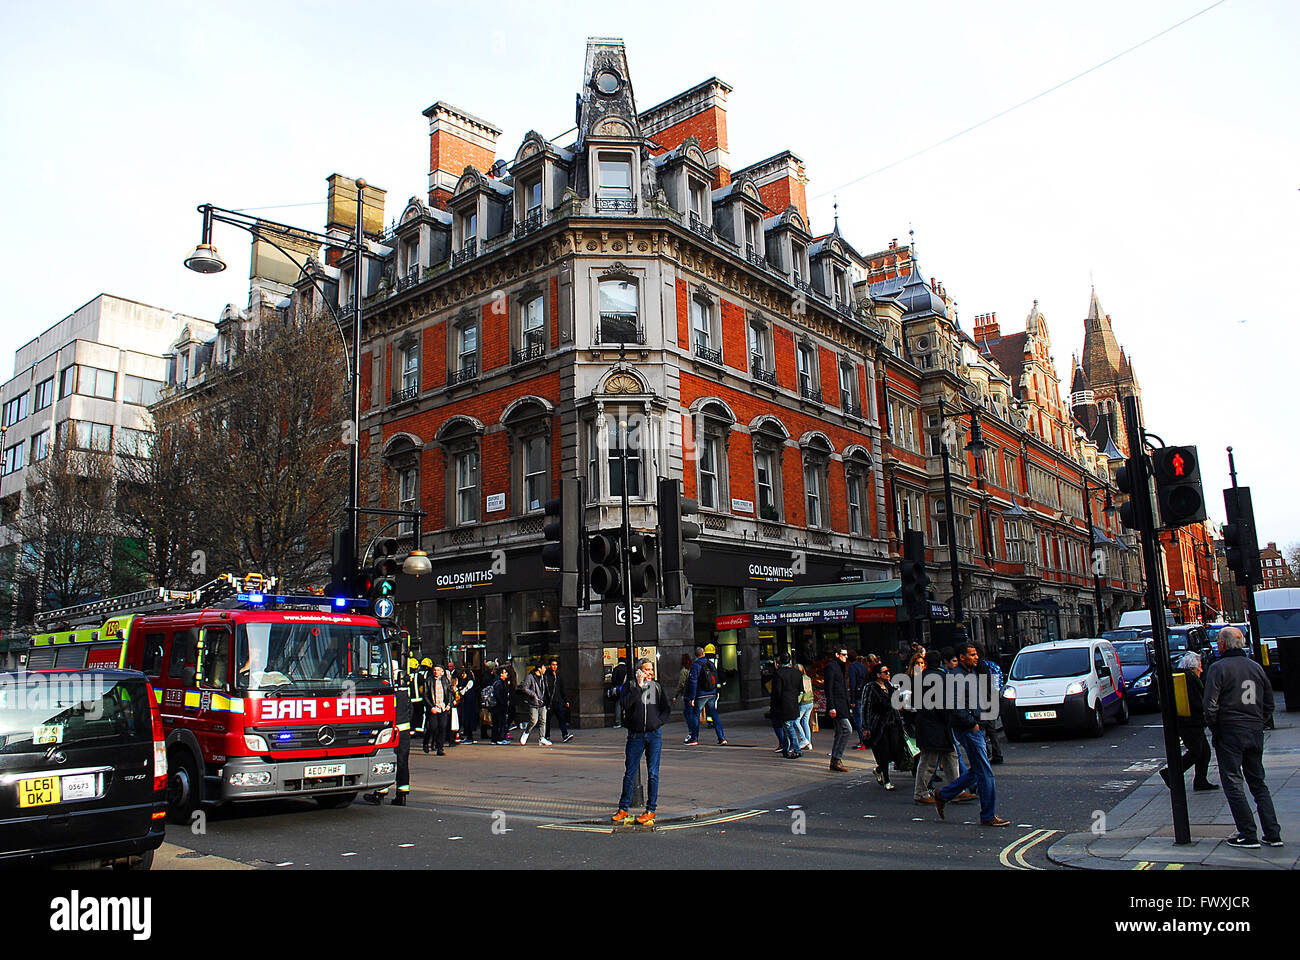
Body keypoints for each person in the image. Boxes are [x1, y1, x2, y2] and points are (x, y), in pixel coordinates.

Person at [1203, 626, 1281, 848]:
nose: (1217, 645)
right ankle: (1273, 833)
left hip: (1230, 731)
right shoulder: (1256, 667)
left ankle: (1247, 834)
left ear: (1224, 645)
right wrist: (1259, 721)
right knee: (1258, 783)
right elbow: (1269, 703)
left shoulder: (1218, 669)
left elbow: (1209, 706)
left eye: (1218, 641)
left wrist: (1215, 726)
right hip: (1254, 730)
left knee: (1234, 783)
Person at [933, 642, 1010, 827]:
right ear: (961, 657)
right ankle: (988, 815)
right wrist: (972, 723)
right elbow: (955, 706)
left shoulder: (972, 672)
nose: (976, 657)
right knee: (986, 773)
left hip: (976, 725)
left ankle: (943, 795)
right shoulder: (956, 677)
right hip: (968, 729)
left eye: (976, 654)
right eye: (972, 655)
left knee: (977, 771)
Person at [612, 658, 671, 827]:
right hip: (635, 736)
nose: (650, 672)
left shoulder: (656, 687)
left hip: (654, 735)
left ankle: (650, 809)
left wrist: (658, 722)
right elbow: (625, 704)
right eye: (646, 669)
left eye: (651, 669)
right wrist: (638, 686)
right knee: (630, 772)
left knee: (653, 773)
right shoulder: (630, 687)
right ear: (639, 671)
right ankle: (623, 808)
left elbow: (666, 708)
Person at [1160, 652, 1217, 792]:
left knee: (1204, 752)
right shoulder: (1190, 679)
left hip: (1189, 722)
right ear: (1193, 667)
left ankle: (1200, 781)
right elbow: (1196, 701)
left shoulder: (1182, 677)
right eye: (1200, 667)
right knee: (1197, 752)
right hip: (1190, 722)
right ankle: (1171, 773)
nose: (1202, 670)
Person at [913, 649, 959, 805]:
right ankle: (921, 792)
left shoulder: (920, 679)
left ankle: (956, 789)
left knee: (950, 756)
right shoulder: (941, 678)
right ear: (940, 662)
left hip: (927, 723)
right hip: (936, 725)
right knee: (930, 760)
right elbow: (943, 704)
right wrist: (949, 719)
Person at [366, 671, 413, 806]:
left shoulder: (384, 692)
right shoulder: (404, 693)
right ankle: (402, 795)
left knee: (385, 761)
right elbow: (411, 710)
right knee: (402, 762)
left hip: (389, 732)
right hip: (404, 732)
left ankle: (380, 793)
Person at [864, 663, 905, 789]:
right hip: (879, 725)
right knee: (884, 751)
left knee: (896, 751)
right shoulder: (871, 687)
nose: (888, 674)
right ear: (878, 675)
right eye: (885, 672)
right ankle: (887, 781)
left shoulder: (890, 686)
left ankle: (879, 769)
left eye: (888, 671)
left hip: (893, 723)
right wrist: (865, 727)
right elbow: (866, 707)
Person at [683, 646, 728, 745]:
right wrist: (715, 691)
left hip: (701, 694)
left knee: (695, 715)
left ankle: (694, 738)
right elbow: (716, 678)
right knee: (714, 714)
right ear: (703, 653)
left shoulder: (696, 665)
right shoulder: (711, 663)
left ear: (696, 655)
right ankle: (722, 737)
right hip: (712, 693)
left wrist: (692, 697)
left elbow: (693, 682)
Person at [824, 647, 853, 772]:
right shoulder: (832, 667)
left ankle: (835, 760)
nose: (846, 657)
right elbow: (828, 688)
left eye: (847, 655)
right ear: (837, 654)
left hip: (843, 704)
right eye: (844, 654)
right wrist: (831, 706)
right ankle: (836, 758)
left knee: (840, 731)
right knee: (847, 729)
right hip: (837, 705)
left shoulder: (841, 667)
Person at [769, 653, 803, 758]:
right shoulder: (797, 672)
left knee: (788, 727)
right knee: (788, 726)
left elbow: (776, 692)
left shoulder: (778, 674)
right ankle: (786, 747)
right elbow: (800, 689)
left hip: (783, 705)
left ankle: (796, 748)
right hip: (793, 703)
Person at [422, 664, 455, 756]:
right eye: (435, 670)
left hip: (443, 707)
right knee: (432, 727)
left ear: (442, 671)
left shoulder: (445, 681)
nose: (436, 672)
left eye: (438, 670)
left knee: (443, 727)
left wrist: (449, 704)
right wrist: (431, 707)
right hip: (434, 708)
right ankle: (426, 743)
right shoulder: (429, 681)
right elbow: (425, 695)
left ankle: (440, 748)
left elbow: (449, 693)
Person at [544, 658, 574, 743]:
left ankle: (565, 734)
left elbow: (562, 689)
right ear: (550, 666)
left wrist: (565, 700)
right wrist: (547, 702)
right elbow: (546, 690)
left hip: (558, 701)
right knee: (548, 720)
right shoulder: (546, 676)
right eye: (553, 665)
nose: (554, 666)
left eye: (556, 665)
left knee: (561, 718)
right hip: (550, 702)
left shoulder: (558, 675)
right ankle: (547, 736)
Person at [520, 664, 550, 746]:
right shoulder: (530, 677)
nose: (545, 669)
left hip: (542, 702)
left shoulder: (544, 677)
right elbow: (524, 688)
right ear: (539, 668)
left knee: (543, 720)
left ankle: (542, 738)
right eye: (544, 667)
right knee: (534, 720)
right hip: (534, 703)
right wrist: (533, 695)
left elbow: (546, 689)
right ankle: (526, 733)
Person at [849, 652, 870, 750]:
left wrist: (852, 699)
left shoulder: (852, 668)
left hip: (857, 695)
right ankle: (866, 740)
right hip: (864, 693)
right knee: (864, 717)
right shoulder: (864, 667)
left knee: (858, 719)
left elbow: (852, 683)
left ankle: (863, 741)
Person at [794, 663, 815, 751]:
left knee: (796, 720)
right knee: (805, 722)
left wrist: (796, 701)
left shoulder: (799, 679)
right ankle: (809, 742)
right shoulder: (808, 678)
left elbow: (801, 693)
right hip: (810, 701)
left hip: (803, 702)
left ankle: (804, 739)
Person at [455, 667, 476, 745]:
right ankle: (468, 736)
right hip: (466, 703)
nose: (463, 675)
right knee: (466, 720)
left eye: (464, 673)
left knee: (468, 720)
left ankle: (469, 737)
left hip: (469, 704)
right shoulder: (464, 681)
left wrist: (460, 690)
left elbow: (463, 692)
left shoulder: (470, 682)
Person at [490, 667, 512, 744]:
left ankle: (494, 739)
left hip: (496, 705)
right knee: (501, 722)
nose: (506, 674)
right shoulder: (500, 683)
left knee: (496, 723)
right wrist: (504, 702)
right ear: (501, 674)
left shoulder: (497, 682)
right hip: (499, 706)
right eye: (505, 672)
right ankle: (500, 738)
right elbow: (499, 694)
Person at [609, 660, 628, 728]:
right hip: (627, 689)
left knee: (618, 705)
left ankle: (618, 722)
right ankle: (627, 721)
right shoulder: (628, 668)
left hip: (618, 689)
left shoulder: (616, 669)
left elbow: (613, 680)